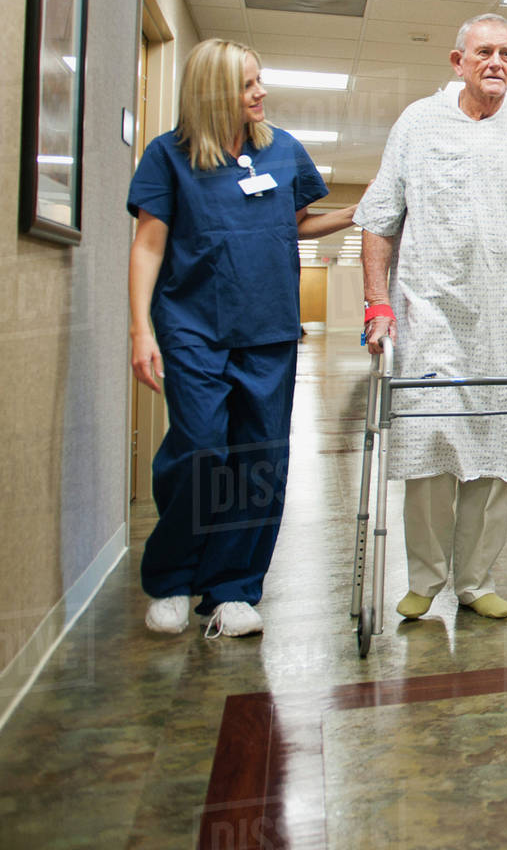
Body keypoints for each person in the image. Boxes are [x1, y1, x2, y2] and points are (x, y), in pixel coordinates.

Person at [357, 13, 507, 621]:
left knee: (498, 450)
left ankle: (475, 582)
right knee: (431, 445)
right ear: (457, 61)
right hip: (429, 316)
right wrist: (378, 302)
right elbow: (379, 220)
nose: (495, 63)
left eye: (506, 54)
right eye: (483, 51)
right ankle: (426, 580)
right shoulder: (417, 123)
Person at [128, 39, 359, 638]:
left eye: (260, 81)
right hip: (192, 328)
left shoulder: (282, 150)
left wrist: (361, 212)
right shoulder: (167, 157)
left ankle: (233, 588)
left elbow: (300, 221)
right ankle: (175, 577)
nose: (261, 93)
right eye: (247, 85)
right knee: (200, 448)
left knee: (260, 458)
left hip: (268, 330)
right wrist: (140, 329)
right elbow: (149, 244)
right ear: (212, 93)